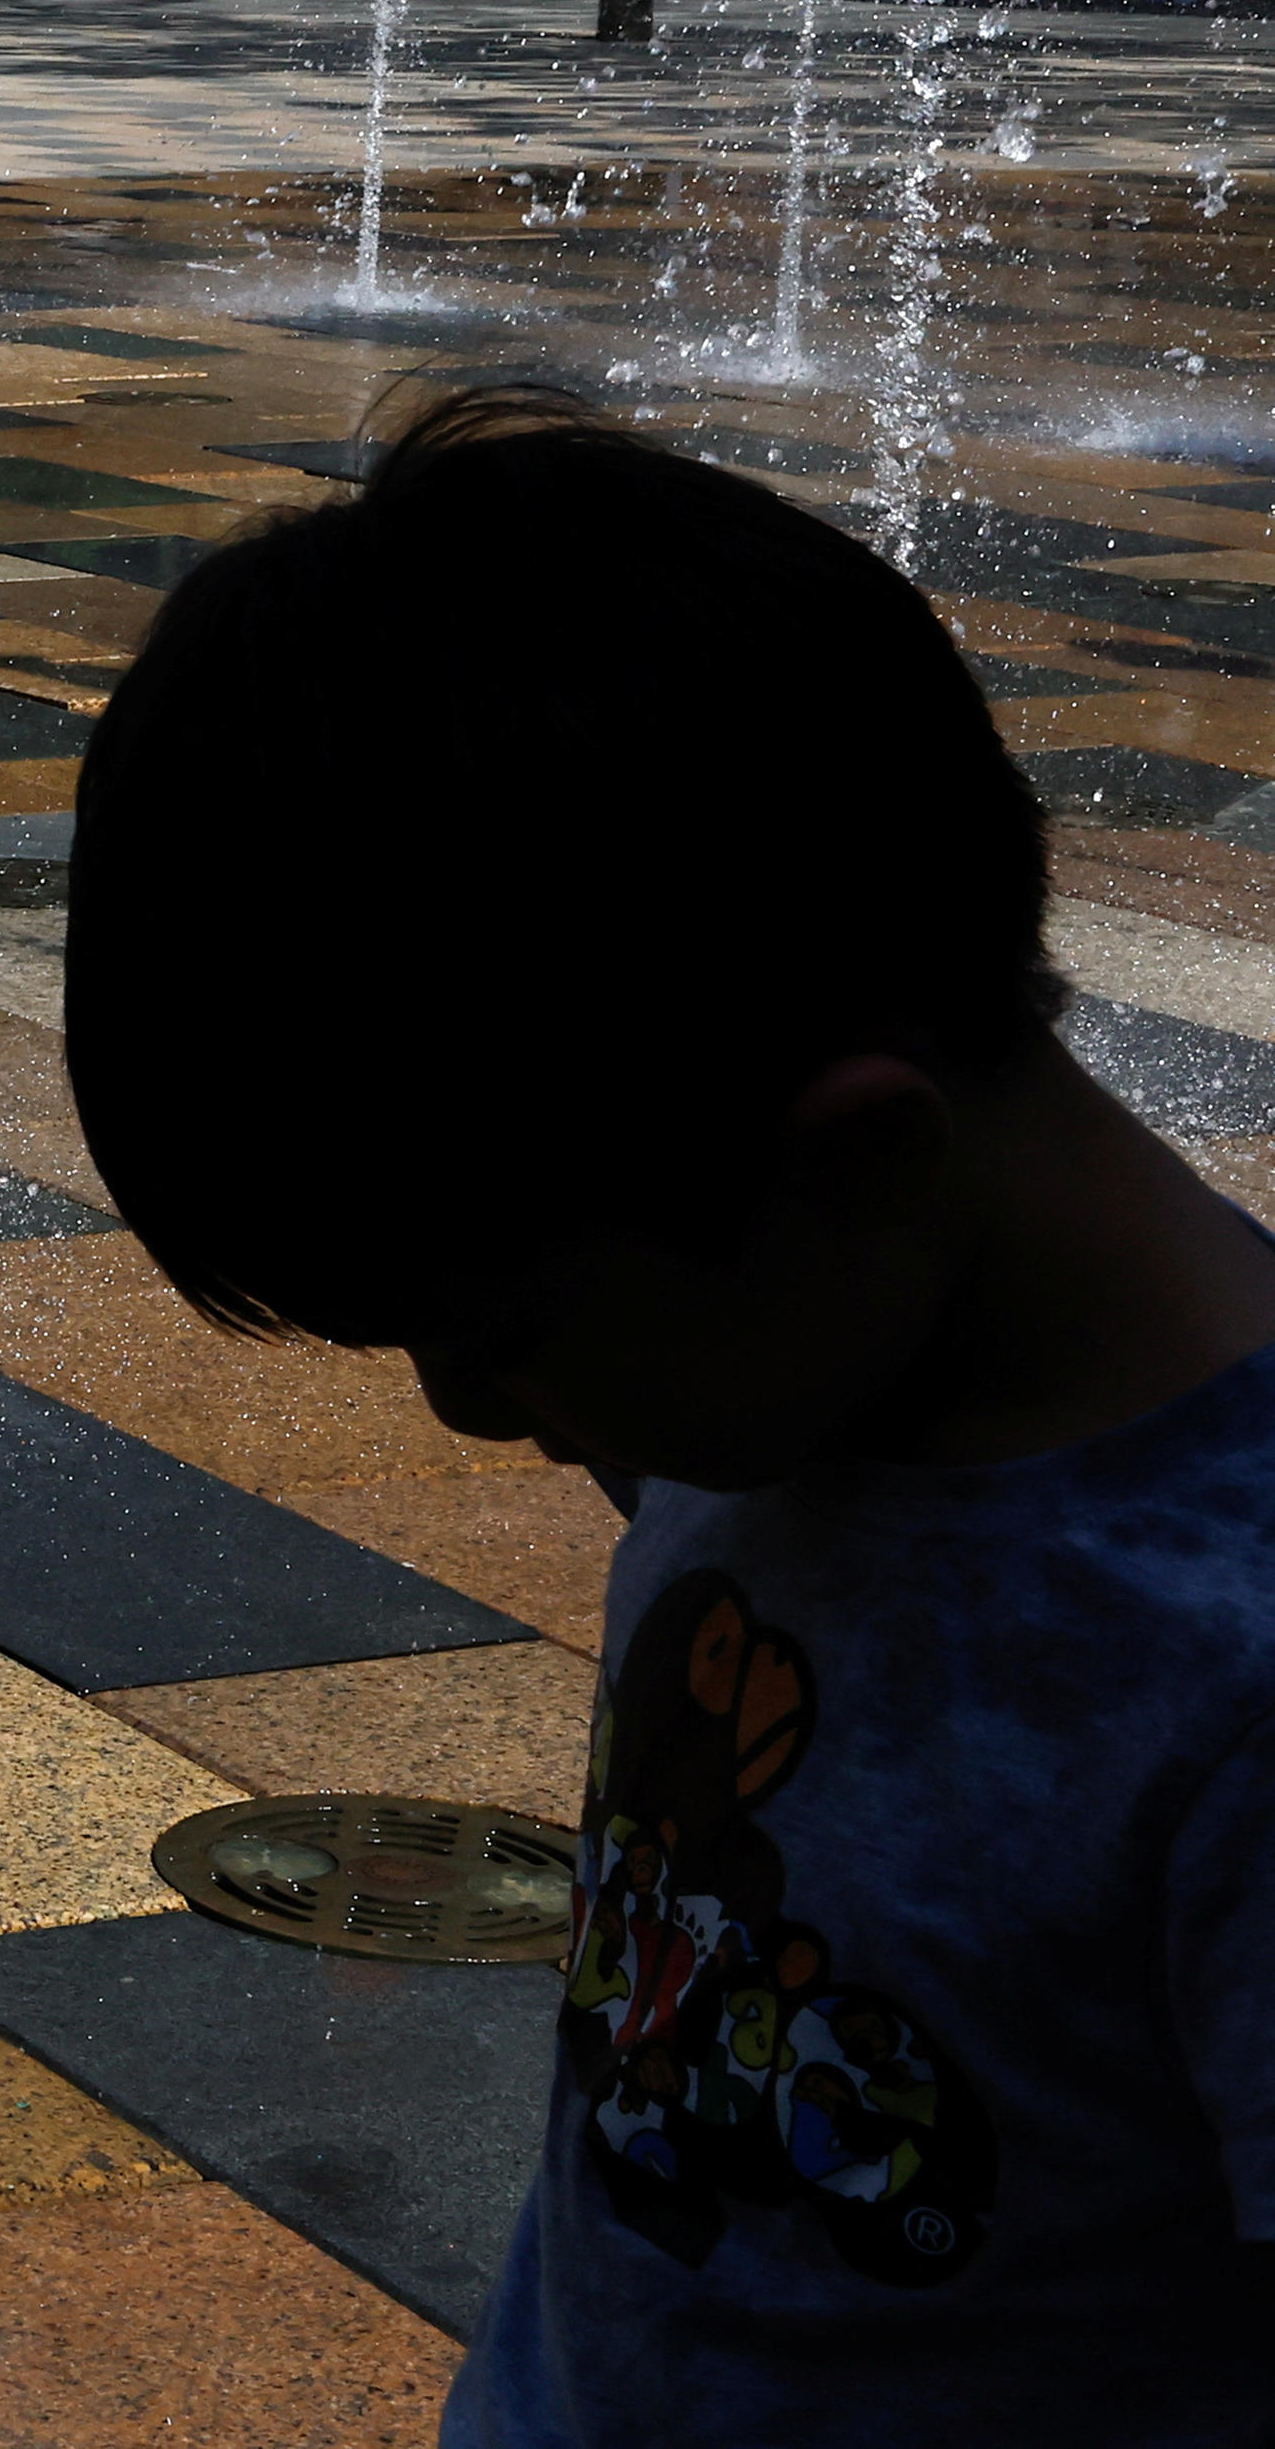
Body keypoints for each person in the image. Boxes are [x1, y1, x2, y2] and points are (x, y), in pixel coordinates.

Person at [62, 389, 1275, 2449]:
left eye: (505, 1329)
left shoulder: (1230, 1674)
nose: (466, 1408)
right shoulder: (781, 1386)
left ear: (853, 1167)